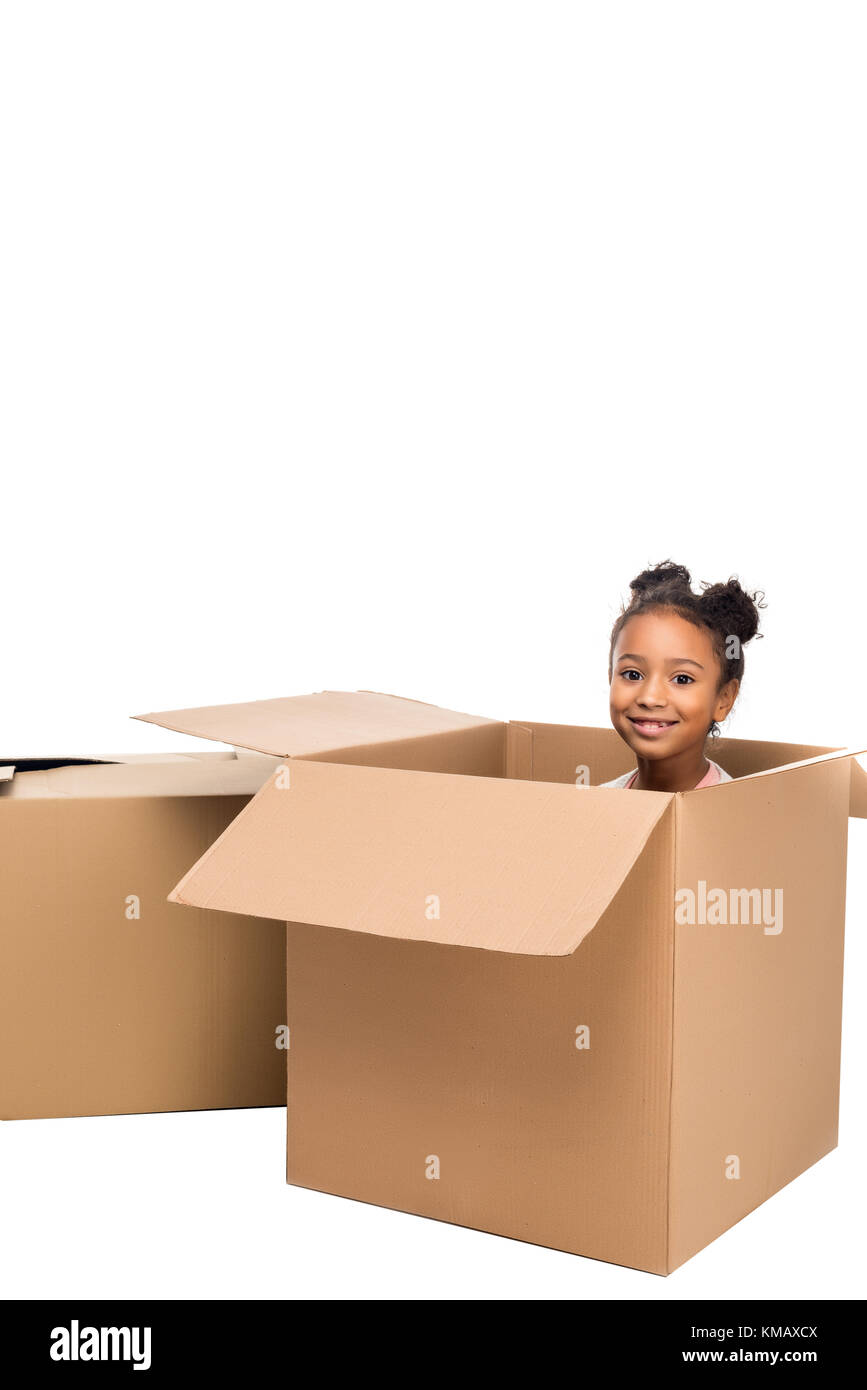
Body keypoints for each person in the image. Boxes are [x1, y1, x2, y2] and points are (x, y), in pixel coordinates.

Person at [602, 560, 764, 792]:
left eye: (682, 679)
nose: (650, 697)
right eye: (632, 674)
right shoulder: (594, 806)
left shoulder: (739, 817)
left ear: (724, 698)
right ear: (611, 677)